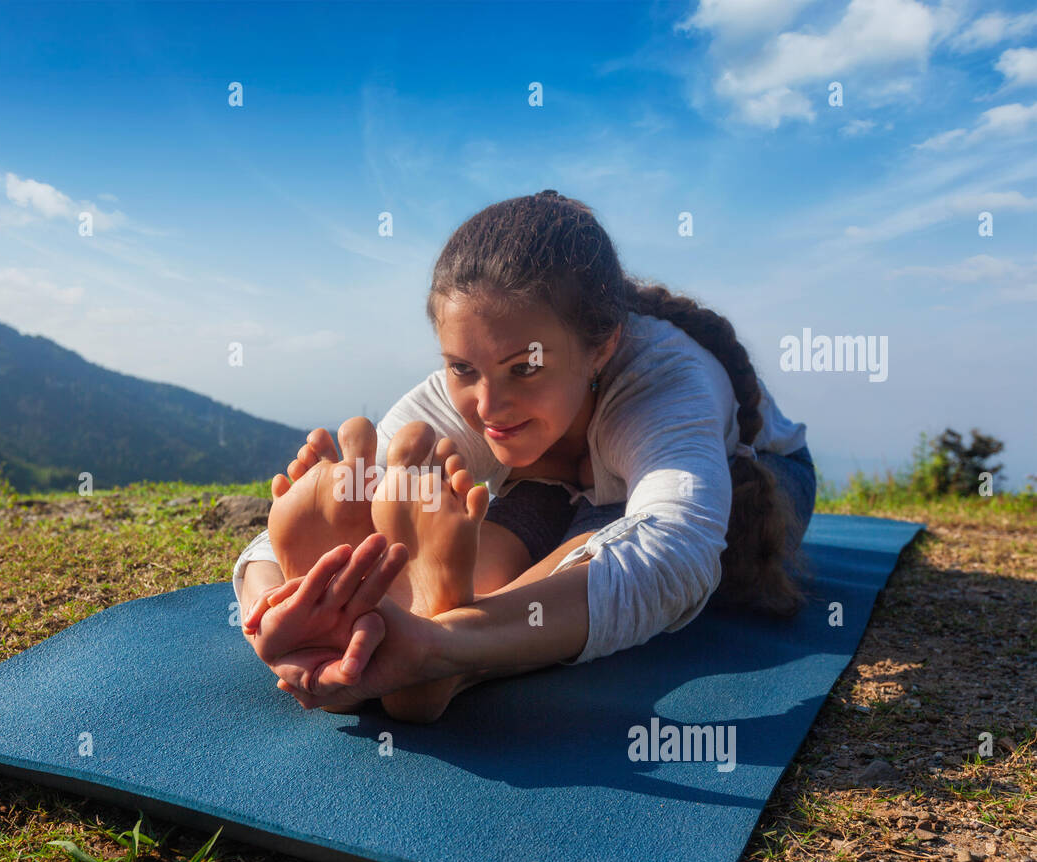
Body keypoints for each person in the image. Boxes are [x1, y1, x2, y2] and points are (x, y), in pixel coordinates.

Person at [233, 190, 816, 723]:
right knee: (481, 507)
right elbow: (333, 497)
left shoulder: (665, 381)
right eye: (463, 367)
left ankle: (449, 652)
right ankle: (431, 624)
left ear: (603, 345)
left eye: (525, 367)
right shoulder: (453, 399)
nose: (489, 405)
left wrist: (442, 646)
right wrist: (275, 613)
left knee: (605, 526)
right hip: (544, 476)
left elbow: (674, 548)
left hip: (749, 479)